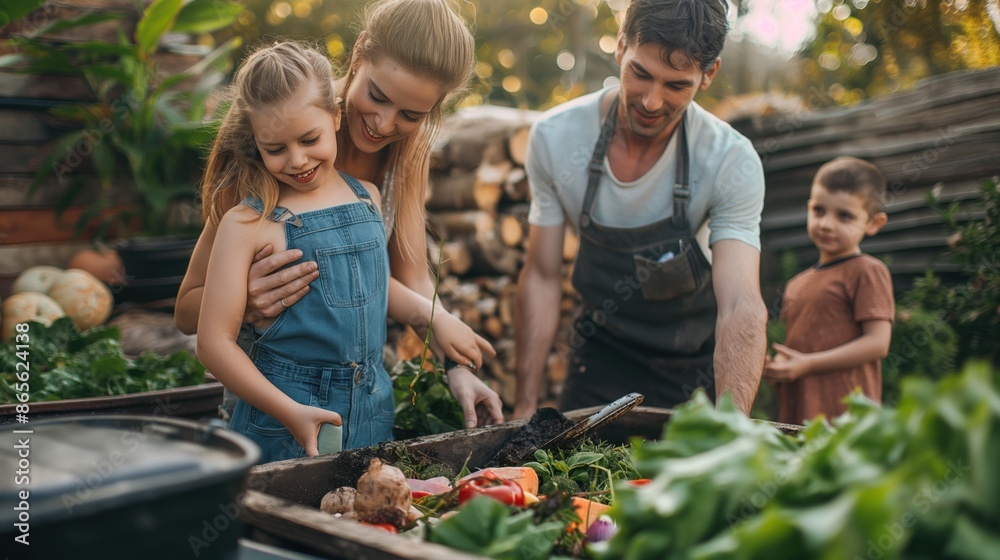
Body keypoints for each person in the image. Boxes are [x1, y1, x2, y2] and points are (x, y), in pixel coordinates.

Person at [176, 0, 503, 428]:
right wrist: (246, 300)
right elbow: (187, 312)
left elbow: (414, 280)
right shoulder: (279, 132)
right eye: (378, 96)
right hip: (271, 391)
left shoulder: (403, 157)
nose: (384, 125)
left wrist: (455, 367)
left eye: (411, 115)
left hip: (358, 393)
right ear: (359, 51)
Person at [513, 0, 768, 418]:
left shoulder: (730, 161)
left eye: (676, 85)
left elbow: (741, 303)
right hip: (597, 359)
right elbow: (541, 275)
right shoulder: (554, 139)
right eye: (641, 73)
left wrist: (731, 429)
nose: (651, 102)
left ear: (709, 75)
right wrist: (524, 406)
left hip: (691, 368)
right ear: (619, 47)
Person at [763, 157, 893, 424]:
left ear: (873, 223)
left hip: (847, 418)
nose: (826, 224)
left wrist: (807, 364)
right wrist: (778, 366)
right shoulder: (797, 283)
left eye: (844, 216)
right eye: (819, 210)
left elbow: (878, 344)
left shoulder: (866, 271)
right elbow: (803, 348)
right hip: (803, 413)